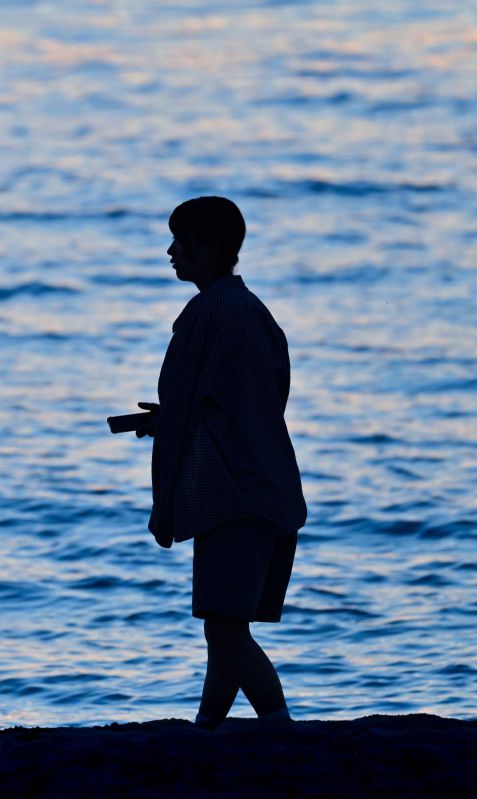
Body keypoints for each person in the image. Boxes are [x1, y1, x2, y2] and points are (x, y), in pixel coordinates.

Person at [134, 196, 306, 730]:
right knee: (225, 625)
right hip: (270, 488)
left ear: (207, 248)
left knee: (225, 630)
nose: (170, 252)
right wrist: (175, 415)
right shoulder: (251, 310)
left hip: (232, 496)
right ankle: (207, 729)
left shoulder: (204, 315)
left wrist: (163, 505)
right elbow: (246, 401)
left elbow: (185, 418)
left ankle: (280, 728)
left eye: (178, 241)